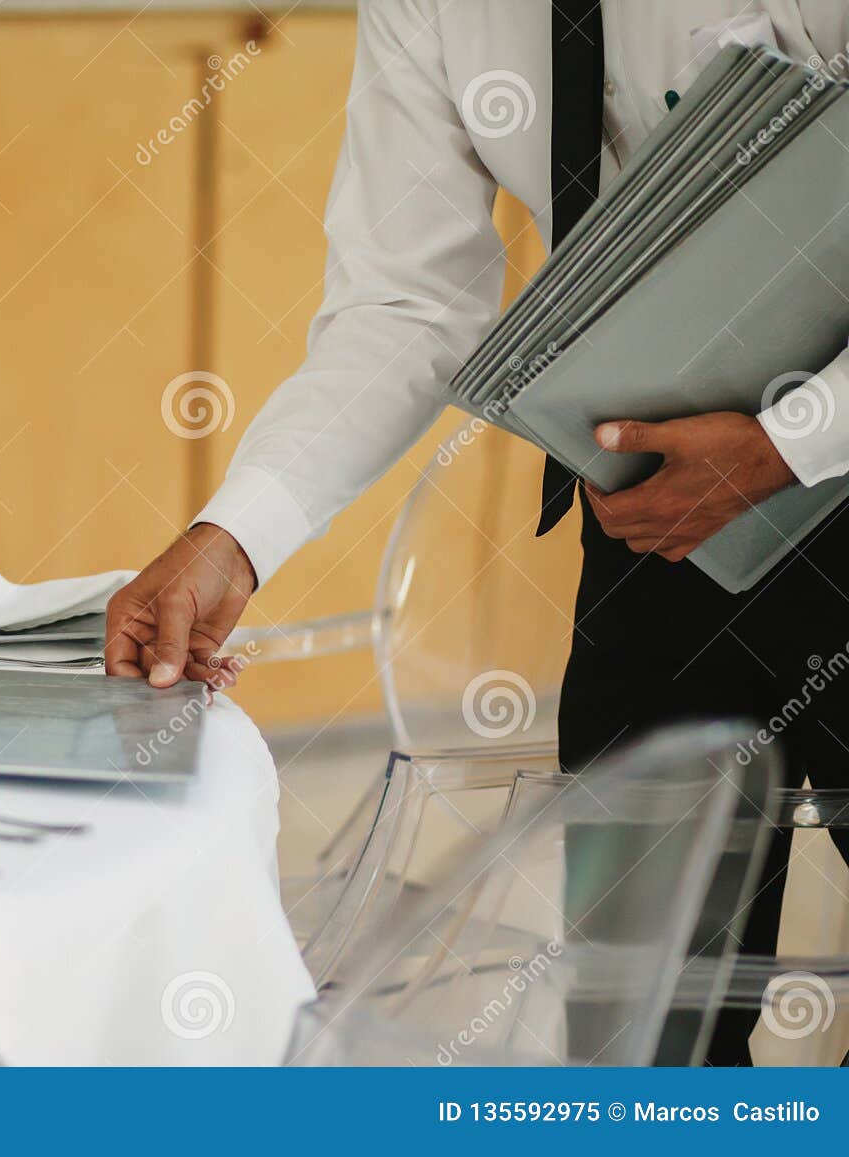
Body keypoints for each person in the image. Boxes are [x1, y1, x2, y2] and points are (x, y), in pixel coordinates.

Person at [105, 0, 849, 1066]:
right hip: (656, 533)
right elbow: (408, 306)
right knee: (643, 1038)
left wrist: (790, 439)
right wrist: (237, 533)